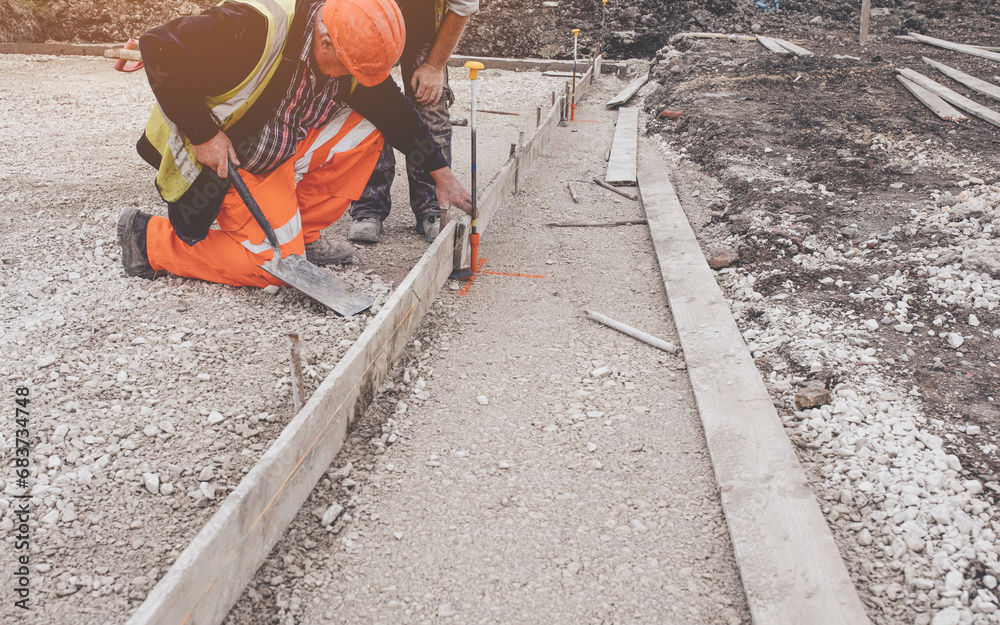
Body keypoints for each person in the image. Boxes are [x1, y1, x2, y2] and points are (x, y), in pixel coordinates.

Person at [117, 0, 472, 288]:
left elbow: (396, 114)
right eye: (351, 69)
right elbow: (159, 46)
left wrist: (441, 174)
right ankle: (149, 239)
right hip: (223, 164)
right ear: (326, 41)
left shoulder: (347, 45)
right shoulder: (252, 28)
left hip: (274, 151)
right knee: (272, 267)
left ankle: (302, 236)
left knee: (369, 130)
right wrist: (203, 134)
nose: (356, 79)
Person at [346, 0, 478, 245]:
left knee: (430, 103)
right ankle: (369, 205)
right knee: (368, 106)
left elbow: (462, 8)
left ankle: (431, 205)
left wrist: (435, 66)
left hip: (421, 19)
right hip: (366, 18)